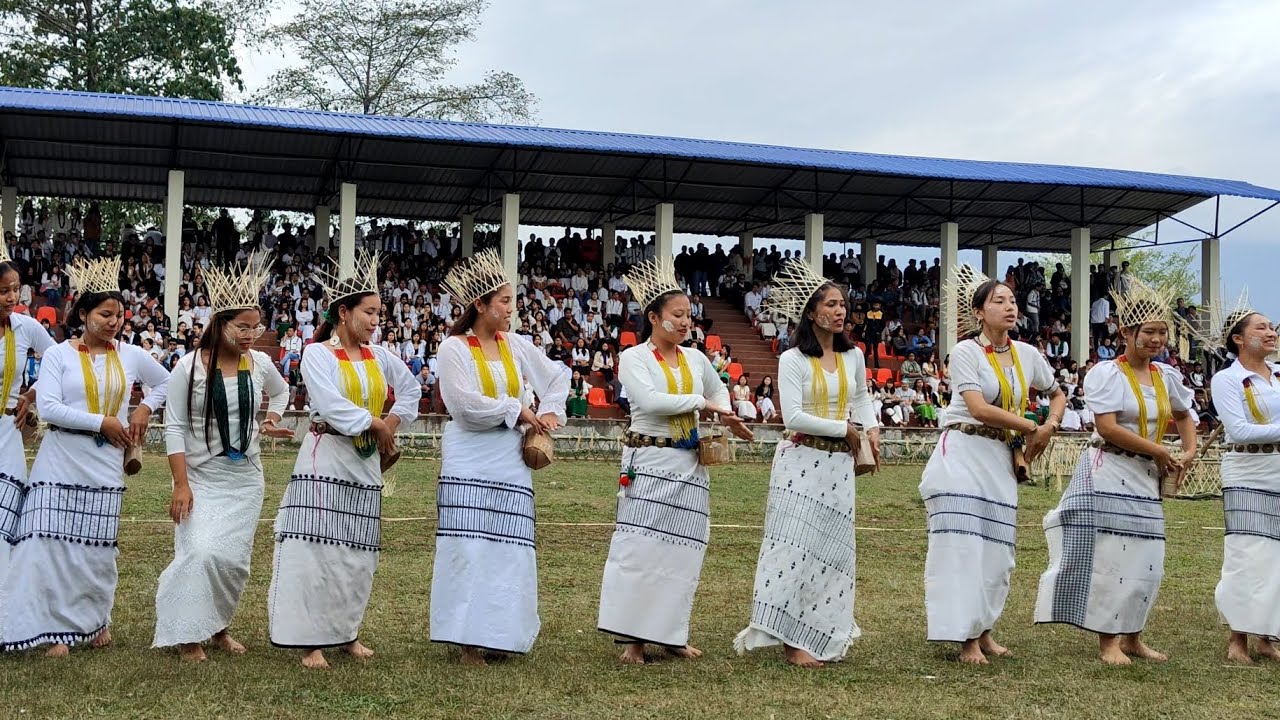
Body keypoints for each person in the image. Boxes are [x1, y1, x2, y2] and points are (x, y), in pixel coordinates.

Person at [0, 256, 170, 655]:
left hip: (105, 462)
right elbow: (51, 407)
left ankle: (94, 621)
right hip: (59, 457)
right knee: (45, 542)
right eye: (105, 315)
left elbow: (167, 381)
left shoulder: (130, 355)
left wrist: (145, 408)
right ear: (83, 314)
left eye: (119, 316)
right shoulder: (59, 354)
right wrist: (102, 422)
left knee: (96, 548)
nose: (114, 322)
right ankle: (53, 630)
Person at [267, 253, 421, 669]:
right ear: (343, 312)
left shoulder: (379, 356)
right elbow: (331, 405)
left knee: (358, 551)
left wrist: (390, 422)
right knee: (316, 547)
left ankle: (346, 632)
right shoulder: (317, 354)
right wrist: (375, 422)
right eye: (369, 312)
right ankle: (309, 641)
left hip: (364, 461)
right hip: (327, 457)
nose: (375, 321)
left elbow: (411, 390)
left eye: (379, 314)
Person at [598, 258, 753, 664]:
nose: (686, 322)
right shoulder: (634, 358)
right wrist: (703, 403)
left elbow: (718, 390)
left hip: (689, 462)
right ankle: (634, 640)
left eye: (689, 315)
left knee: (683, 552)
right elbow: (651, 402)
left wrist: (725, 411)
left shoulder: (696, 358)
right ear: (654, 317)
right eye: (678, 315)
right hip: (649, 460)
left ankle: (672, 635)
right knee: (642, 549)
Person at [1035, 276, 1196, 665]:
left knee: (1148, 558)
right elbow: (1106, 427)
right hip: (1109, 469)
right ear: (1126, 332)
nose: (1157, 339)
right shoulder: (1107, 372)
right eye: (1149, 332)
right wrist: (1159, 449)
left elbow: (1183, 414)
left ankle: (1133, 636)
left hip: (1147, 476)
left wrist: (1189, 451)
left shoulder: (1165, 376)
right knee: (1113, 557)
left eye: (1162, 332)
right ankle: (1108, 640)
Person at [734, 260, 880, 668]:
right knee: (794, 548)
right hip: (800, 461)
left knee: (831, 551)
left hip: (838, 467)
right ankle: (790, 639)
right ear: (812, 312)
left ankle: (823, 632)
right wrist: (844, 428)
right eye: (831, 304)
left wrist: (870, 429)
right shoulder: (793, 358)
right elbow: (794, 417)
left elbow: (861, 398)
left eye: (842, 304)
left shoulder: (853, 356)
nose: (840, 311)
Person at [919, 265, 1064, 664]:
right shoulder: (965, 352)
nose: (1010, 307)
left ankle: (983, 631)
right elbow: (979, 408)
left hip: (1000, 457)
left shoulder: (1027, 355)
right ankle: (964, 637)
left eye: (1012, 300)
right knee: (963, 546)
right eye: (999, 301)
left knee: (997, 551)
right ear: (979, 312)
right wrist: (1031, 426)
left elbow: (1057, 394)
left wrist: (1050, 425)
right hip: (963, 451)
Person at [431, 249, 569, 666]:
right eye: (505, 301)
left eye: (513, 301)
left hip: (509, 460)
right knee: (468, 546)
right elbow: (462, 405)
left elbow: (557, 375)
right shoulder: (453, 348)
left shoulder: (516, 344)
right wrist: (517, 410)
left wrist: (549, 410)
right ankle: (467, 642)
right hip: (468, 457)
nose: (512, 308)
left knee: (509, 548)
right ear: (481, 304)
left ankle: (501, 635)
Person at [153, 254, 292, 661]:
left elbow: (281, 393)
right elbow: (174, 427)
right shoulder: (188, 368)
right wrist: (181, 484)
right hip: (200, 476)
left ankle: (217, 628)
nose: (250, 335)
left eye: (256, 327)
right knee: (199, 552)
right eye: (242, 327)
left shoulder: (259, 363)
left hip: (245, 479)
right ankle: (187, 635)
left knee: (232, 560)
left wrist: (271, 419)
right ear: (219, 323)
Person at [1197, 299, 1280, 663]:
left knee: (1276, 556)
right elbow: (1239, 430)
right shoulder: (1227, 379)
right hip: (1247, 468)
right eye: (1261, 327)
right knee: (1246, 552)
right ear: (1238, 339)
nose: (1271, 332)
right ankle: (1238, 637)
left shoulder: (1279, 375)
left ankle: (1268, 636)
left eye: (1272, 327)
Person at [0, 244, 55, 592]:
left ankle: (7, 589)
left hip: (8, 430)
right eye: (3, 291)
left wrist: (30, 396)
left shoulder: (25, 327)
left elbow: (59, 362)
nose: (11, 298)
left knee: (9, 510)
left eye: (15, 289)